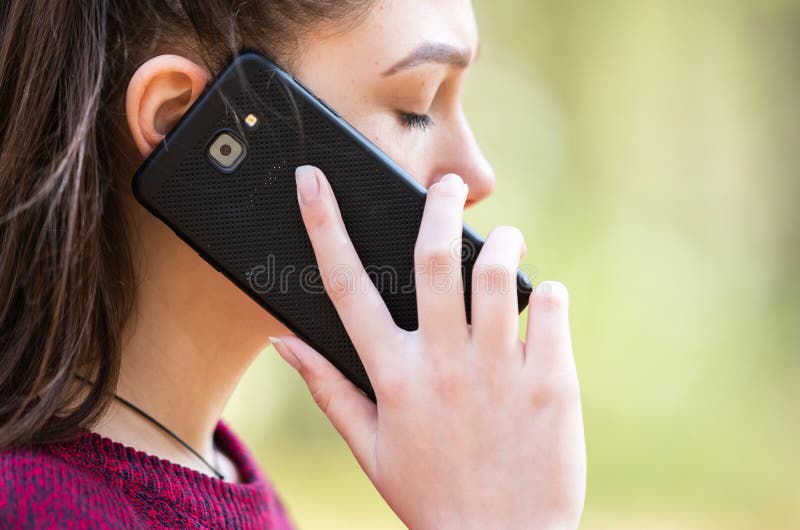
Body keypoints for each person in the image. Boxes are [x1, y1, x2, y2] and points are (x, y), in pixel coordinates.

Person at [0, 1, 586, 528]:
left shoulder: (225, 477)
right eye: (415, 107)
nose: (479, 175)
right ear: (184, 116)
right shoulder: (33, 506)